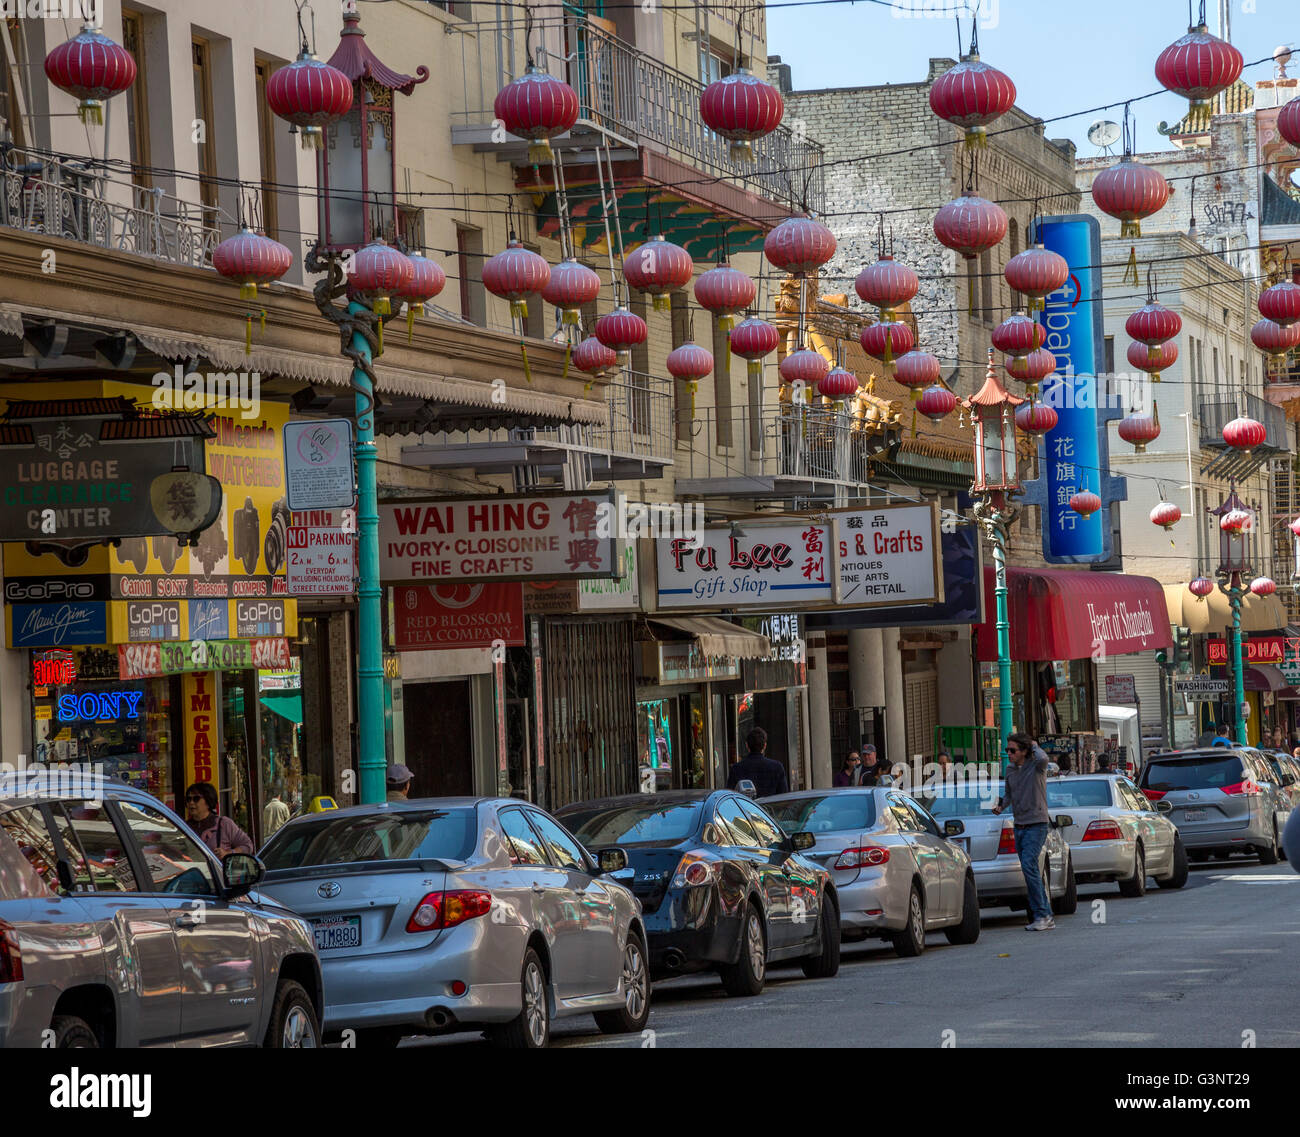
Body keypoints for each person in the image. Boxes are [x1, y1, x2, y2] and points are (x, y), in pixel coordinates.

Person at [992, 733, 1055, 932]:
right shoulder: (1010, 769)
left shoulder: (1036, 766)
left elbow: (1044, 758)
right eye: (1007, 750)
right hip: (1019, 825)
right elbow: (1009, 794)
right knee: (1031, 870)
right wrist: (1001, 806)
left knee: (1029, 865)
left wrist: (1034, 745)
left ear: (1024, 751)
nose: (1009, 754)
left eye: (1013, 750)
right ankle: (1045, 914)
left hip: (1037, 823)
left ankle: (1042, 915)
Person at [185, 782, 254, 857]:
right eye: (188, 799)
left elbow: (247, 846)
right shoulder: (184, 827)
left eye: (196, 799)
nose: (191, 803)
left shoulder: (224, 824)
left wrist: (227, 853)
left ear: (208, 801)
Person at [726, 727, 789, 797]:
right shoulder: (777, 767)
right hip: (770, 807)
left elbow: (729, 795)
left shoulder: (736, 768)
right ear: (765, 746)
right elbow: (783, 795)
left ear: (747, 745)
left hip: (745, 807)